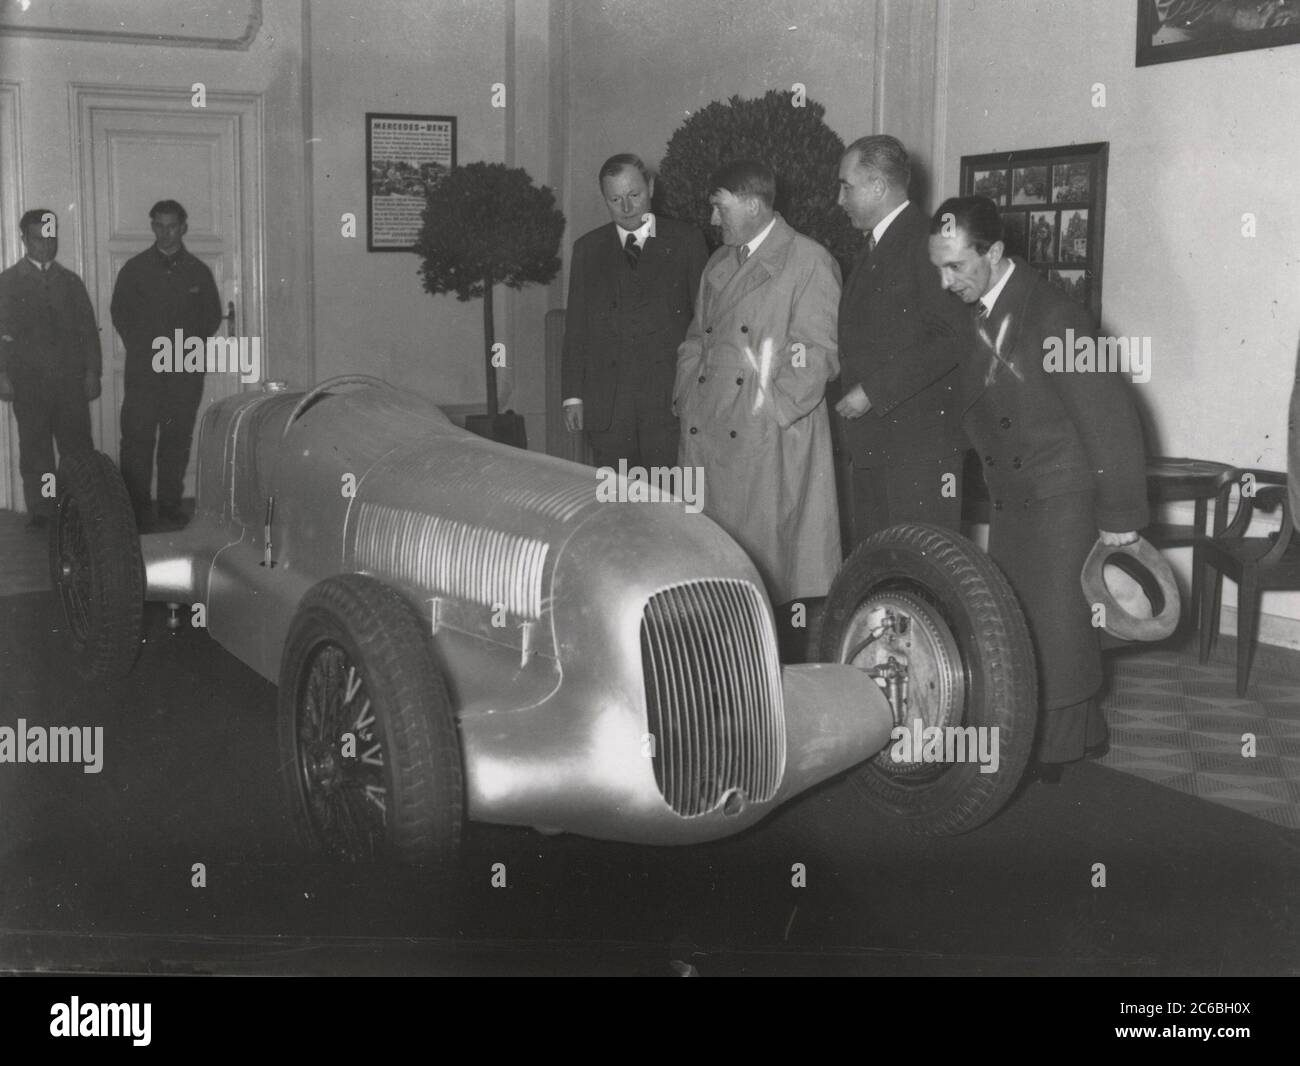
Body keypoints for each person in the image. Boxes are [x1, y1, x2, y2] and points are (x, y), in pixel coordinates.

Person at [927, 195, 1149, 781]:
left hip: (1063, 496)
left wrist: (1120, 513)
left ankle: (1055, 752)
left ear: (995, 252)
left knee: (1057, 627)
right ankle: (1080, 735)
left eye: (956, 266)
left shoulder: (1056, 315)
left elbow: (1112, 419)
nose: (946, 281)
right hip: (1018, 497)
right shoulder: (982, 313)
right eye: (939, 268)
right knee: (1032, 622)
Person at [674, 159, 841, 630]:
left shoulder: (808, 261)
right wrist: (687, 393)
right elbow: (695, 340)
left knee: (764, 584)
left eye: (719, 207)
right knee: (711, 575)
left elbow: (816, 354)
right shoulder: (720, 262)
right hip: (708, 430)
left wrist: (767, 414)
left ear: (751, 204)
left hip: (764, 446)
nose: (712, 219)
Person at [834, 135, 968, 543]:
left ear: (878, 186)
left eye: (846, 186)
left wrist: (873, 391)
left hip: (918, 451)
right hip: (877, 444)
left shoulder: (929, 241)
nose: (839, 199)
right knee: (882, 573)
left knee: (921, 574)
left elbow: (950, 338)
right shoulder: (876, 245)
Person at [561, 154, 708, 469]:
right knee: (617, 503)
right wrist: (573, 396)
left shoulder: (686, 241)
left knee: (668, 501)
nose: (627, 208)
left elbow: (706, 322)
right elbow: (576, 328)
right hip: (609, 408)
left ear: (651, 187)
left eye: (634, 195)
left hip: (668, 403)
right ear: (604, 199)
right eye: (615, 199)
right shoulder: (587, 249)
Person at [111, 199, 221, 530]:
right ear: (152, 227)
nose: (165, 232)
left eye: (171, 225)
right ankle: (136, 504)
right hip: (144, 371)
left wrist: (183, 351)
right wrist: (147, 350)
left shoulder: (198, 271)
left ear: (183, 227)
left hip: (183, 372)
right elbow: (121, 314)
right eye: (158, 225)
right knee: (137, 438)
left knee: (177, 437)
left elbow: (211, 318)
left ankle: (170, 504)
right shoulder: (135, 269)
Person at [0, 208, 100, 530]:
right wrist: (2, 375)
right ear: (24, 240)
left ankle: (78, 504)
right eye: (37, 238)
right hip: (29, 384)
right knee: (37, 449)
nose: (45, 245)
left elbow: (87, 330)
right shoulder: (8, 283)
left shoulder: (70, 282)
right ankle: (46, 508)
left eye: (50, 238)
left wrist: (92, 372)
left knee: (76, 446)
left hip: (70, 383)